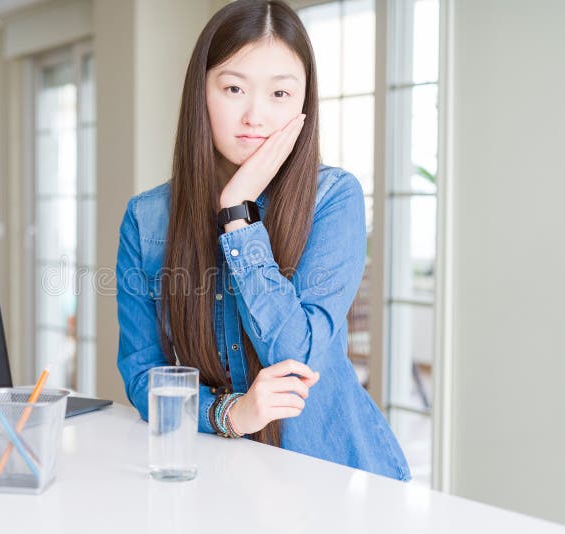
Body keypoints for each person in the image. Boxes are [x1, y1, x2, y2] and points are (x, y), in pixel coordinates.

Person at [115, 0, 411, 481]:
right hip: (216, 474)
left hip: (339, 477)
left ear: (303, 104)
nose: (255, 115)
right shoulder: (148, 218)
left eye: (279, 93)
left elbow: (298, 357)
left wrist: (238, 214)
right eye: (233, 88)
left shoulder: (334, 198)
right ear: (201, 92)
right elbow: (143, 374)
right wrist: (233, 414)